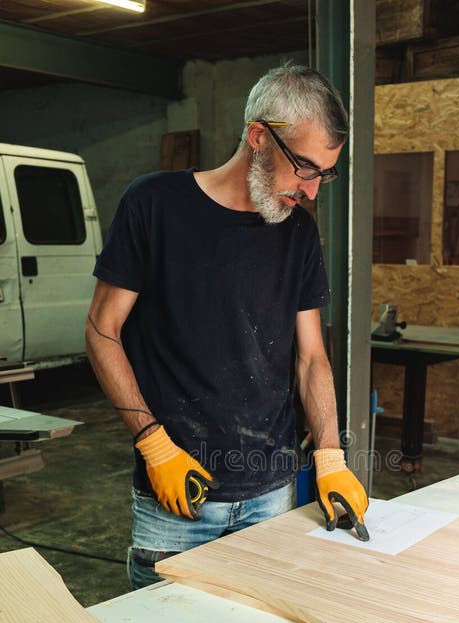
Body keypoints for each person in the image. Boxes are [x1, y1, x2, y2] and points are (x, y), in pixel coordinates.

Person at [86, 64, 369, 590]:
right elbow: (103, 330)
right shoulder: (154, 205)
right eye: (305, 168)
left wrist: (330, 454)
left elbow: (311, 358)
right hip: (177, 505)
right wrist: (154, 444)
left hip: (272, 498)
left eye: (323, 174)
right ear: (259, 137)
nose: (311, 191)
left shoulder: (298, 236)